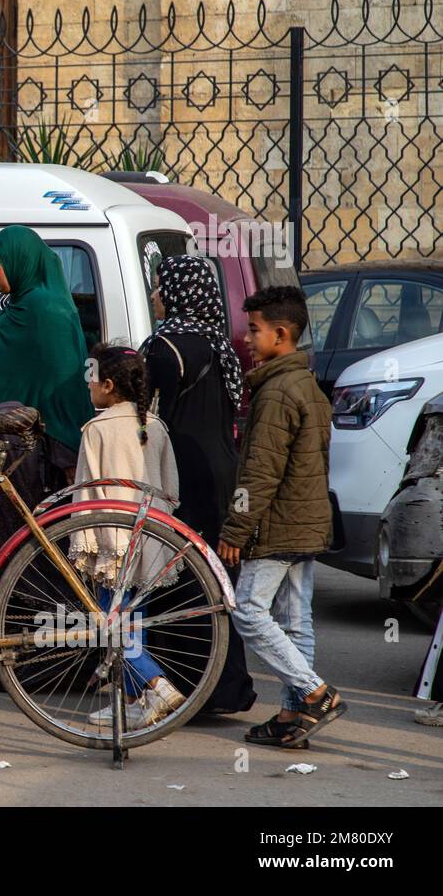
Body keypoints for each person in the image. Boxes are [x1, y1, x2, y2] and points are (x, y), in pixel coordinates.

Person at [0, 224, 95, 684]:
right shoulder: (29, 306)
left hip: (33, 463)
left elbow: (53, 389)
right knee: (8, 554)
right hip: (20, 459)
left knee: (31, 560)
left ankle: (41, 666)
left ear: (19, 261)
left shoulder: (43, 311)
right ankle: (7, 658)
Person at [219, 286, 345, 749]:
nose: (247, 338)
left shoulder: (276, 391)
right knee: (295, 620)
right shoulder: (305, 384)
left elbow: (259, 472)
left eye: (253, 330)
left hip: (279, 524)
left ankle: (314, 694)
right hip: (305, 522)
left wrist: (236, 528)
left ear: (281, 333)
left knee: (248, 611)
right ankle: (295, 715)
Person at [142, 253, 256, 715]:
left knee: (177, 580)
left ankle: (185, 689)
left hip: (182, 474)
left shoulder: (164, 347)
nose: (153, 296)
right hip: (223, 473)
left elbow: (147, 416)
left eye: (158, 287)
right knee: (217, 583)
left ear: (176, 293)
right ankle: (226, 689)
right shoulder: (220, 345)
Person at [69, 344, 184, 728]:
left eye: (91, 379)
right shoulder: (156, 425)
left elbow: (86, 496)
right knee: (134, 620)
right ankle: (135, 701)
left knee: (111, 622)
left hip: (112, 543)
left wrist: (85, 549)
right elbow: (171, 489)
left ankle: (156, 685)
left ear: (108, 384)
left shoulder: (96, 429)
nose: (87, 387)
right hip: (152, 540)